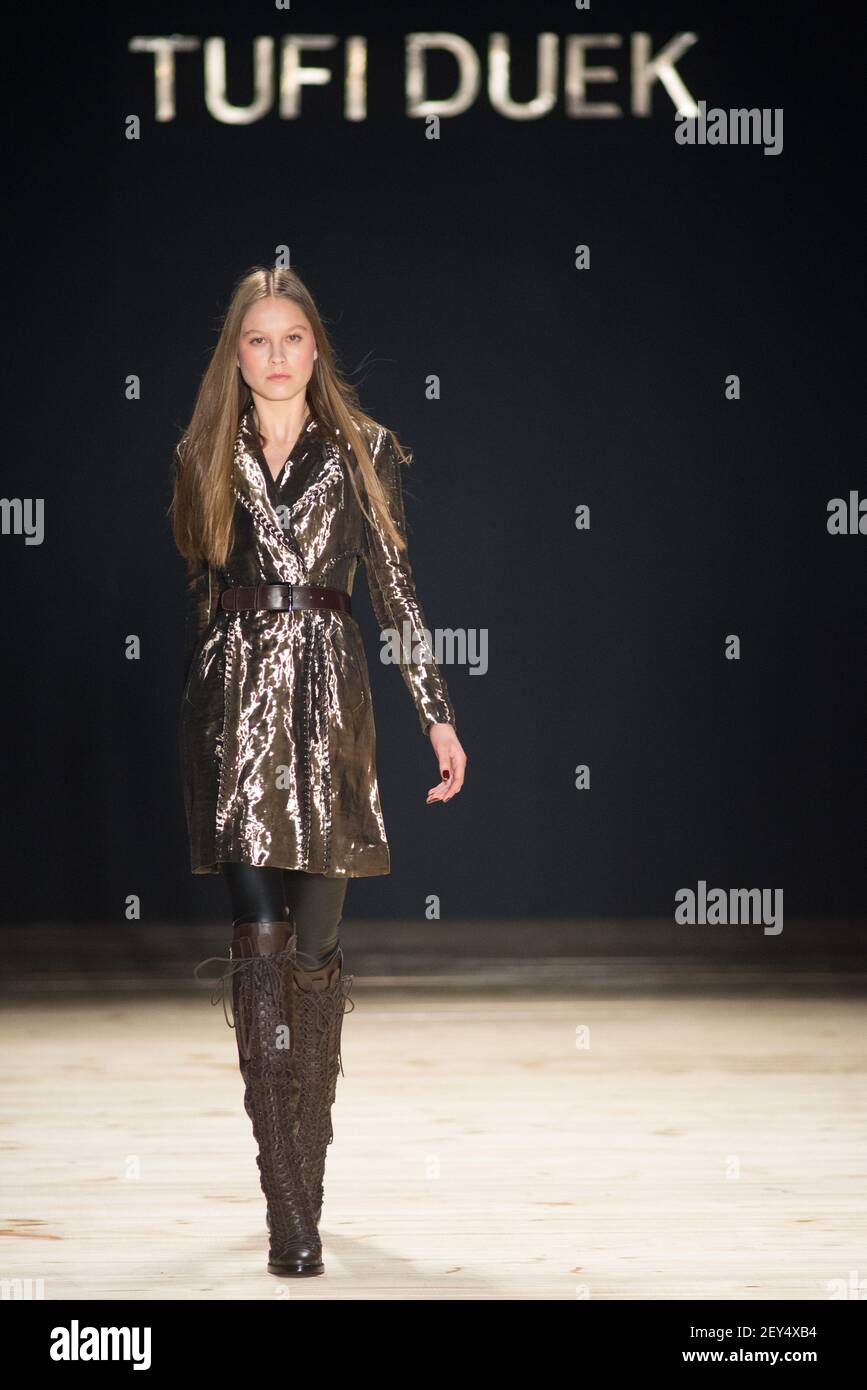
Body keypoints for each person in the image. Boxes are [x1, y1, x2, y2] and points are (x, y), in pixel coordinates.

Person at [170, 265, 467, 1277]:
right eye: (258, 339)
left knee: (315, 955)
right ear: (237, 357)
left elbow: (397, 591)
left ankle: (310, 1174)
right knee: (257, 943)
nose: (278, 354)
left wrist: (436, 715)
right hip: (238, 722)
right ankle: (288, 1210)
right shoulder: (204, 451)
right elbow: (204, 587)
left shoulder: (364, 448)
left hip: (334, 716)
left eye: (293, 336)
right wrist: (211, 712)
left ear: (314, 351)